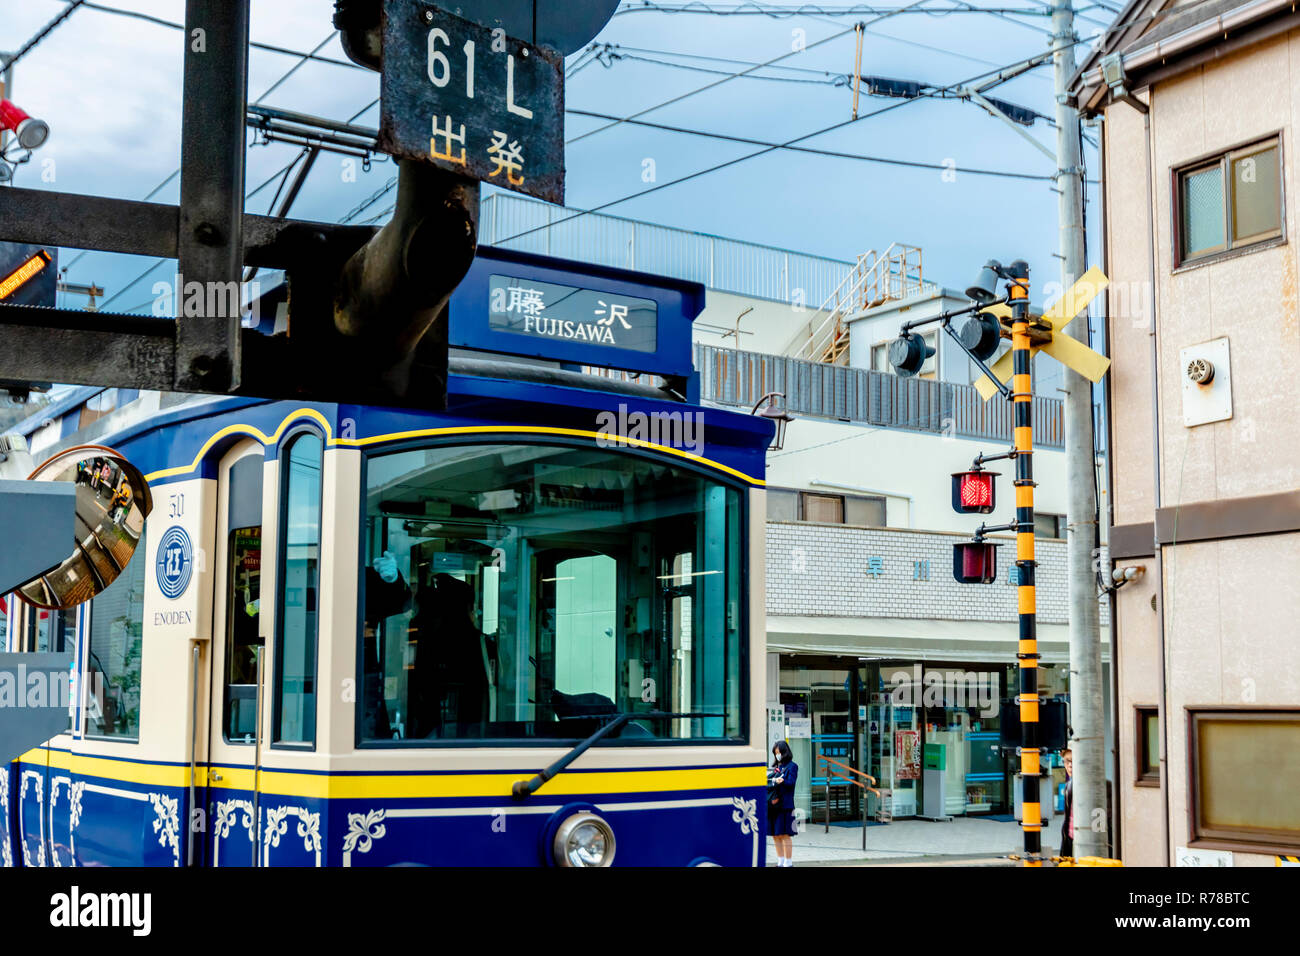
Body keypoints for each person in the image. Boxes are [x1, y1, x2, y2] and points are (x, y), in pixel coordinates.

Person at [768, 740, 799, 867]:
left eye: (779, 752)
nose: (777, 755)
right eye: (775, 753)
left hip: (785, 805)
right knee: (776, 835)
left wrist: (782, 780)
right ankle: (780, 861)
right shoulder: (778, 768)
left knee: (785, 834)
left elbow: (791, 782)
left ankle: (788, 862)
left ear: (785, 752)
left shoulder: (793, 766)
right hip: (774, 805)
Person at [1059, 748, 1074, 859]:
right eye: (1066, 761)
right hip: (1070, 840)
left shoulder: (1100, 787)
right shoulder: (1068, 786)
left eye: (1073, 761)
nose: (1070, 765)